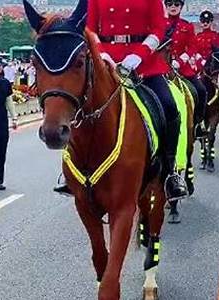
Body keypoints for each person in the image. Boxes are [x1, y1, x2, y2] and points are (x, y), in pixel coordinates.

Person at [55, 0, 188, 200]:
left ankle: (170, 172)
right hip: (105, 63)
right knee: (78, 105)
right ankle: (71, 169)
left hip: (144, 64)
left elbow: (158, 30)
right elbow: (90, 29)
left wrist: (138, 56)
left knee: (169, 106)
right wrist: (103, 54)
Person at [164, 0, 208, 139]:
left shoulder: (187, 26)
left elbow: (192, 46)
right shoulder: (159, 24)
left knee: (201, 90)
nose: (173, 7)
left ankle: (198, 124)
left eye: (176, 4)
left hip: (182, 68)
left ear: (181, 7)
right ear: (165, 6)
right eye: (170, 4)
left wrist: (181, 60)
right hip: (162, 66)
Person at [0, 59, 18, 190]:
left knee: (0, 151)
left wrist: (14, 118)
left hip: (1, 121)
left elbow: (9, 102)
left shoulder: (5, 83)